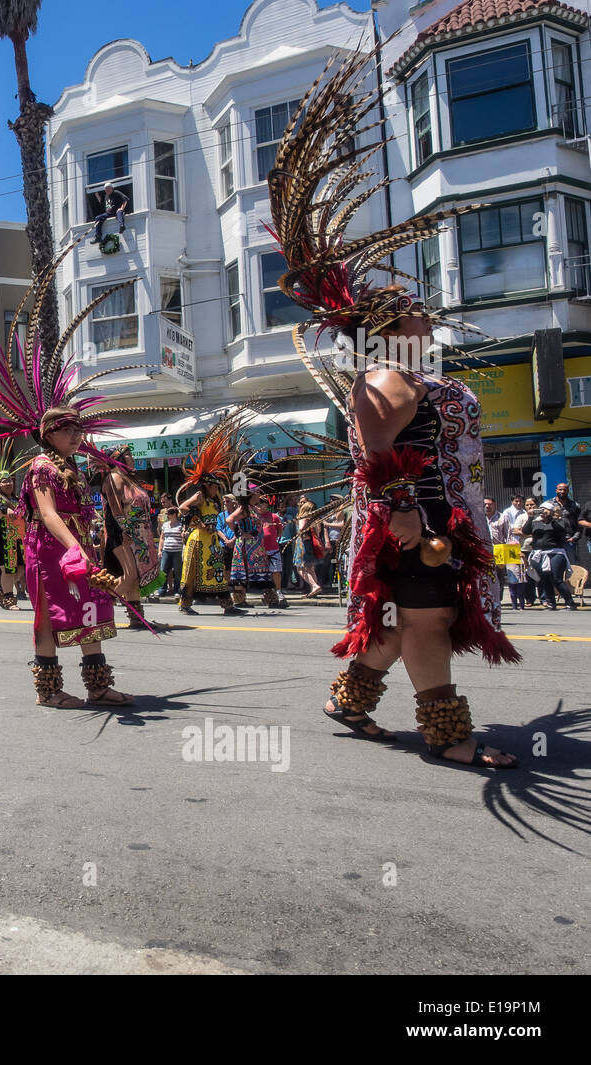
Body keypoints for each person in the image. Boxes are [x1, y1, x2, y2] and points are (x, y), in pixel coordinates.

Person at [268, 44, 520, 769]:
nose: (426, 317)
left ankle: (348, 700)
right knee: (427, 619)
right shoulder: (387, 375)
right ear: (387, 327)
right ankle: (451, 736)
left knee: (402, 619)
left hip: (433, 517)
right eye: (413, 312)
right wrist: (406, 507)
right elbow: (373, 451)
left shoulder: (408, 372)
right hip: (416, 522)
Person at [20, 408, 131, 706]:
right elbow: (47, 514)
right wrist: (75, 547)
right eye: (68, 429)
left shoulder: (72, 466)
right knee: (47, 615)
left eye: (78, 429)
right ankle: (48, 691)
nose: (76, 435)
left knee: (88, 609)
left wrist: (85, 543)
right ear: (49, 434)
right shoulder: (42, 466)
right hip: (48, 548)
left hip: (75, 543)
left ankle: (98, 687)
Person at [175, 414, 251, 617]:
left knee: (216, 572)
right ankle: (185, 603)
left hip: (211, 541)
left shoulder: (214, 499)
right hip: (198, 541)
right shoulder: (199, 496)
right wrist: (198, 524)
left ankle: (227, 605)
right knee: (193, 573)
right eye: (214, 485)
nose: (216, 488)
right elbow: (182, 508)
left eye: (217, 485)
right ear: (206, 485)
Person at [99, 444, 160, 627]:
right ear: (118, 458)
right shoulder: (114, 477)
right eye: (128, 455)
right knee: (130, 574)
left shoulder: (128, 479)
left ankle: (136, 617)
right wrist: (125, 530)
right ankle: (102, 607)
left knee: (135, 578)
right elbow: (115, 509)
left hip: (138, 535)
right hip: (122, 534)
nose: (132, 458)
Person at [0, 469, 26, 610]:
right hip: (2, 540)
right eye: (4, 481)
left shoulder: (16, 500)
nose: (8, 483)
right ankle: (8, 599)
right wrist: (3, 511)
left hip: (18, 540)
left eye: (10, 481)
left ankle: (1, 590)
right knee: (7, 570)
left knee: (21, 569)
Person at [529, 502, 578, 610]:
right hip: (540, 553)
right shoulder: (536, 522)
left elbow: (561, 530)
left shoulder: (559, 521)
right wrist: (530, 517)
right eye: (541, 509)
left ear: (551, 511)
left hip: (556, 552)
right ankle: (551, 603)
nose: (542, 512)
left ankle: (570, 602)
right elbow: (526, 530)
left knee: (556, 578)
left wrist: (550, 518)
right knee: (545, 578)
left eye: (545, 509)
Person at [292, 500, 323, 598]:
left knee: (300, 568)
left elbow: (301, 528)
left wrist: (303, 532)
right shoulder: (315, 519)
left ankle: (314, 586)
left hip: (303, 545)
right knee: (310, 569)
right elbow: (318, 532)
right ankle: (313, 590)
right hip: (310, 545)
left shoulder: (303, 517)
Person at [156, 506, 183, 600]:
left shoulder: (180, 525)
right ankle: (162, 590)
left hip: (177, 550)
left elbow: (183, 538)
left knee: (177, 571)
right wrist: (160, 550)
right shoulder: (165, 525)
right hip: (166, 550)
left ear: (175, 514)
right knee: (163, 570)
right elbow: (162, 538)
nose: (168, 515)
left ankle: (177, 590)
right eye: (167, 514)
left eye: (169, 514)